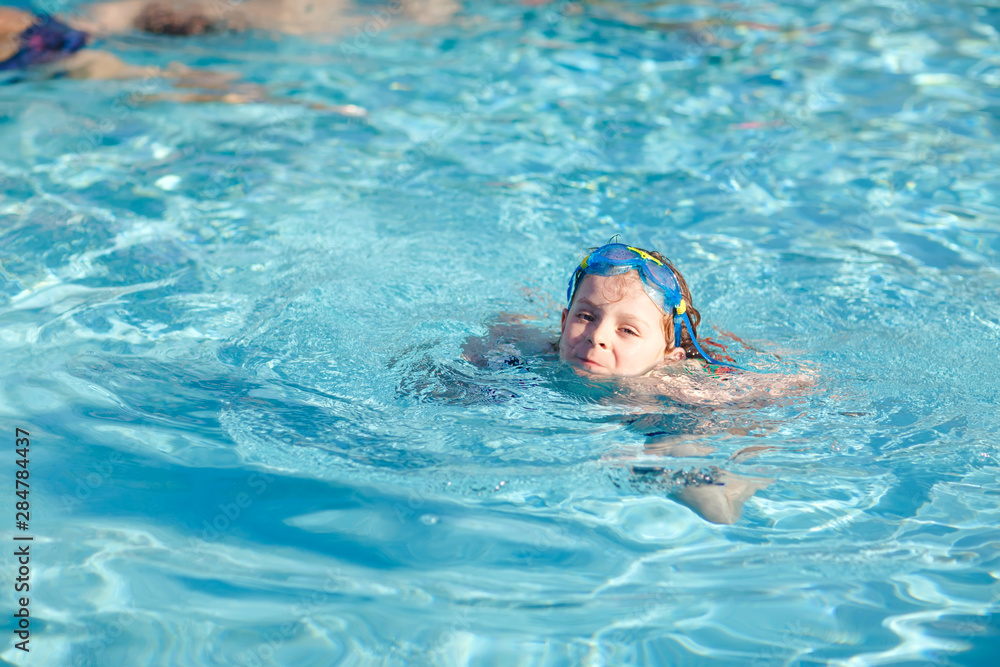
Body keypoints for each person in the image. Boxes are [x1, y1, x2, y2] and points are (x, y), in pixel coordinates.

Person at [464, 242, 813, 524]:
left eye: (627, 330)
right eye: (586, 316)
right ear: (563, 320)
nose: (597, 336)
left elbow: (793, 387)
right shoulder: (537, 351)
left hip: (663, 414)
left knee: (713, 507)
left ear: (668, 355)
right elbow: (499, 328)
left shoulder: (671, 389)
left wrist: (642, 469)